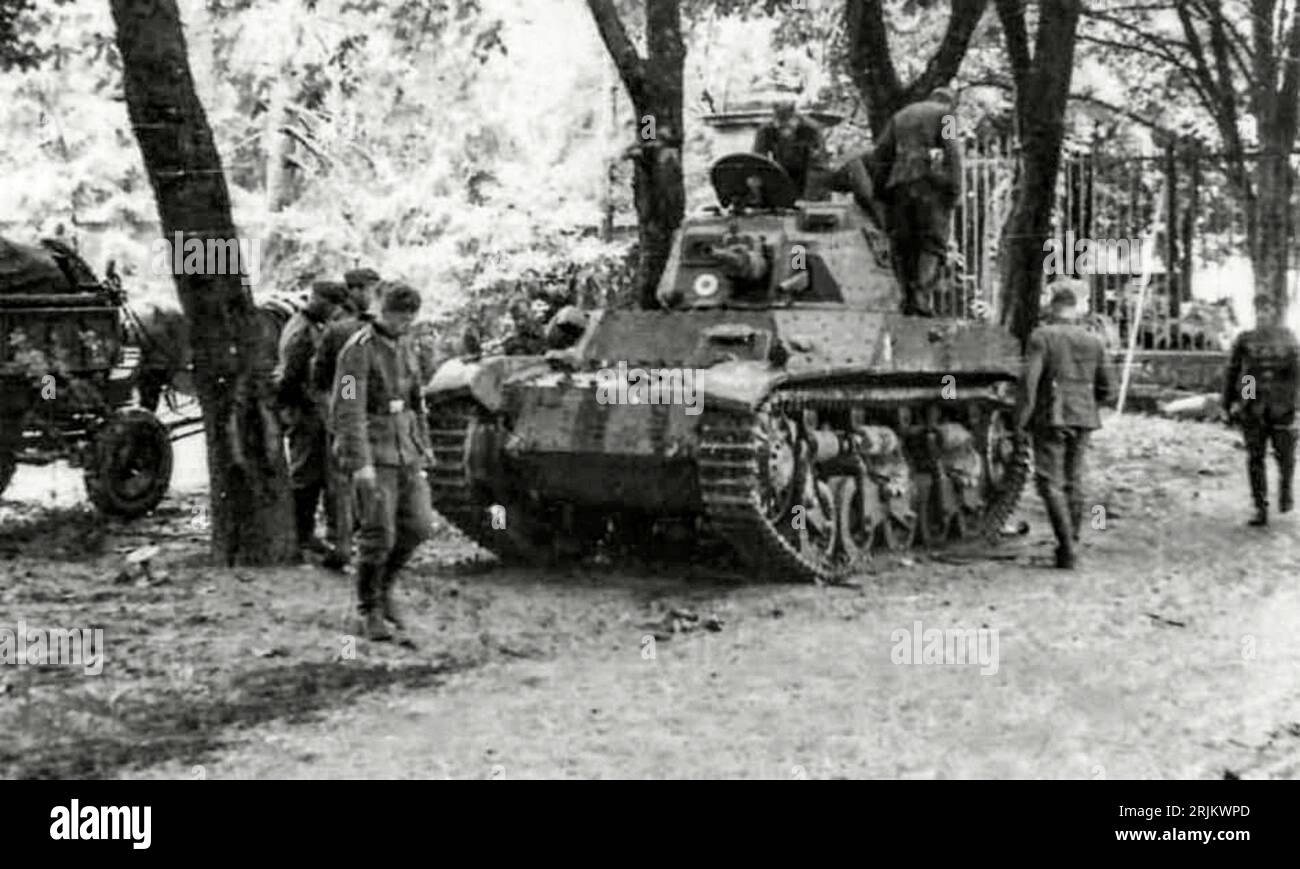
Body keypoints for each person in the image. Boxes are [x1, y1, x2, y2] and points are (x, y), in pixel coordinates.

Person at [332, 282, 436, 643]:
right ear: (381, 311)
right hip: (374, 452)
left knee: (420, 525)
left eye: (410, 316)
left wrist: (424, 443)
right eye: (397, 314)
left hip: (406, 449)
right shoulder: (356, 351)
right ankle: (367, 608)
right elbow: (347, 408)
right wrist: (360, 462)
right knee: (379, 533)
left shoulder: (406, 343)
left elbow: (416, 398)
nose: (404, 322)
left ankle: (385, 588)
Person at [1017, 282, 1113, 569]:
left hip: (1051, 416)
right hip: (1083, 416)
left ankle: (1067, 547)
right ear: (1076, 309)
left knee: (1049, 482)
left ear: (1052, 307)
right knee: (1074, 479)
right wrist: (1087, 403)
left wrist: (1021, 420)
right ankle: (1072, 541)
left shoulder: (1041, 337)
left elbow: (1028, 384)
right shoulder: (1094, 340)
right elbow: (1108, 387)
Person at [311, 268, 383, 570]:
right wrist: (338, 413)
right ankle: (345, 545)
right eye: (368, 290)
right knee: (346, 481)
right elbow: (328, 380)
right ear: (355, 291)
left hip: (371, 414)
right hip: (354, 412)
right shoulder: (342, 330)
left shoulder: (359, 329)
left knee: (358, 482)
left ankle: (355, 543)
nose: (371, 296)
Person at [872, 87, 962, 316]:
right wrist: (955, 186)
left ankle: (905, 297)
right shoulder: (946, 115)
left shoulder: (900, 115)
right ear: (951, 103)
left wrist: (880, 190)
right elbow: (951, 149)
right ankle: (921, 298)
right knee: (932, 242)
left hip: (899, 185)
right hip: (930, 185)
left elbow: (881, 154)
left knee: (904, 243)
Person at [275, 279, 346, 558]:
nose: (333, 311)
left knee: (314, 476)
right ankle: (299, 535)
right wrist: (297, 407)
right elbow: (292, 377)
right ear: (318, 300)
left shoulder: (311, 326)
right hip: (305, 413)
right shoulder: (302, 331)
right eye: (330, 305)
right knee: (304, 476)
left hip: (313, 411)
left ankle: (305, 534)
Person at [1221, 293, 1299, 526]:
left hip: (1281, 406)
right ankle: (1260, 507)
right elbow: (1235, 372)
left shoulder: (1288, 338)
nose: (1263, 314)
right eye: (1259, 310)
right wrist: (1230, 404)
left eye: (1267, 309)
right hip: (1253, 403)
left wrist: (1294, 405)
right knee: (1255, 457)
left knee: (1286, 457)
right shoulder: (1245, 339)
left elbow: (1296, 374)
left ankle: (1285, 492)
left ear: (1275, 312)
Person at [752, 100, 826, 199]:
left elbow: (819, 164)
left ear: (795, 119)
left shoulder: (811, 129)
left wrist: (809, 198)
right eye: (780, 126)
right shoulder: (766, 130)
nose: (784, 131)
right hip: (780, 172)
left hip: (807, 174)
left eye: (788, 126)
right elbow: (758, 160)